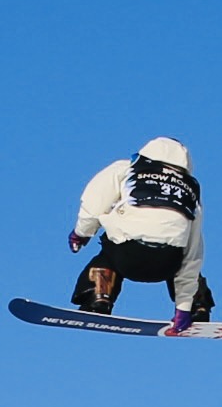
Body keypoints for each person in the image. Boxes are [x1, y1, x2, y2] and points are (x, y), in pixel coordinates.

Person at [68, 138, 213, 333]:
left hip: (126, 256)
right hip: (166, 262)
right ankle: (198, 306)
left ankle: (98, 297)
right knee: (183, 258)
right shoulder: (191, 189)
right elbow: (193, 248)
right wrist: (184, 307)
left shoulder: (127, 169)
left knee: (107, 251)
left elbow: (95, 203)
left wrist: (81, 233)